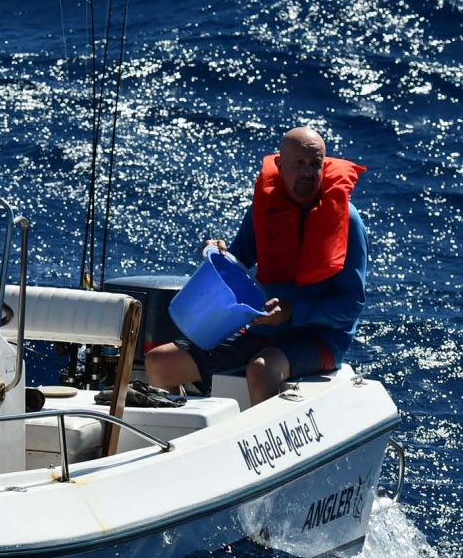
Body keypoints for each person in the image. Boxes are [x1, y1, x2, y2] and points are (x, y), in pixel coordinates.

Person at [145, 128, 368, 406]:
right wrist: (212, 251)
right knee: (158, 362)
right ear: (280, 165)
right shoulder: (263, 211)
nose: (308, 173)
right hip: (265, 330)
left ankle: (264, 449)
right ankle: (182, 438)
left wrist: (292, 313)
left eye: (315, 164)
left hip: (320, 338)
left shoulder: (346, 220)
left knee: (261, 369)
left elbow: (351, 307)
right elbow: (234, 268)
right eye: (299, 163)